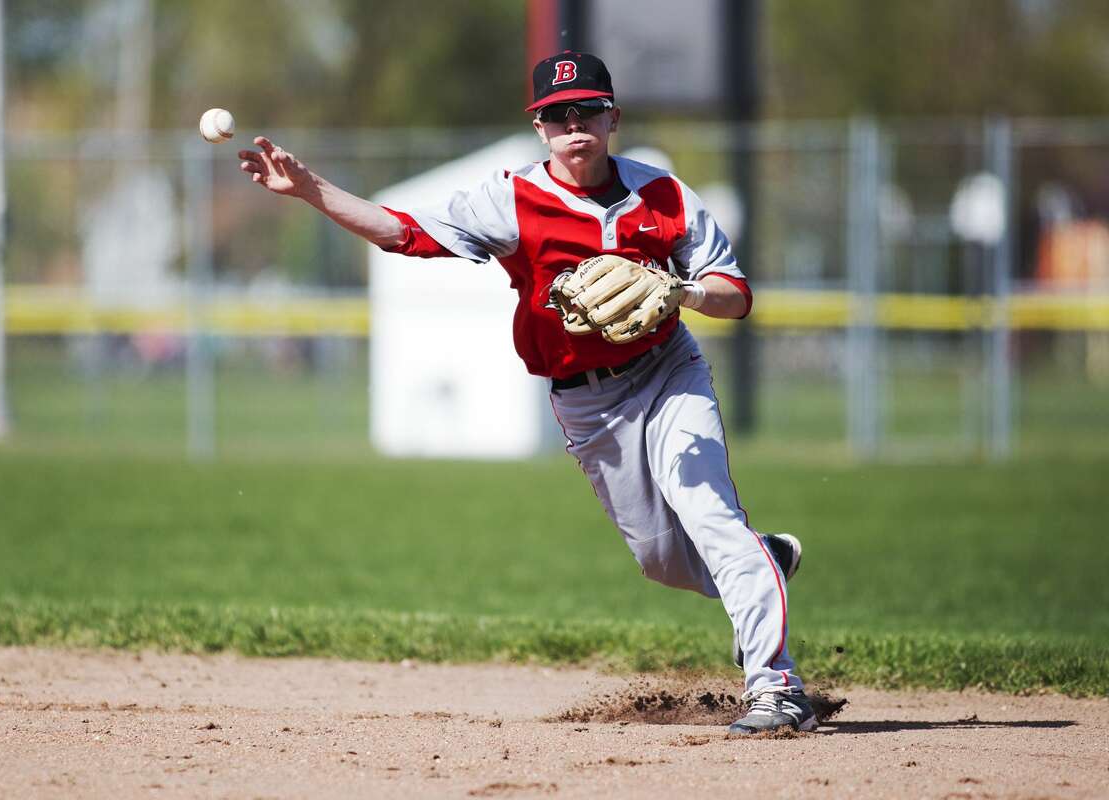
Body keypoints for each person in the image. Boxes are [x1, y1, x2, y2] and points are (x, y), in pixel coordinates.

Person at [238, 51, 816, 736]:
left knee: (708, 510)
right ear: (540, 129)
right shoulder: (511, 200)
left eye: (588, 111)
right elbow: (403, 233)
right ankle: (764, 561)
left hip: (668, 372)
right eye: (557, 115)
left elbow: (735, 296)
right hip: (587, 401)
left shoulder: (665, 195)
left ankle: (776, 686)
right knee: (662, 560)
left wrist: (682, 290)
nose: (575, 125)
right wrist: (312, 192)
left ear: (613, 118)